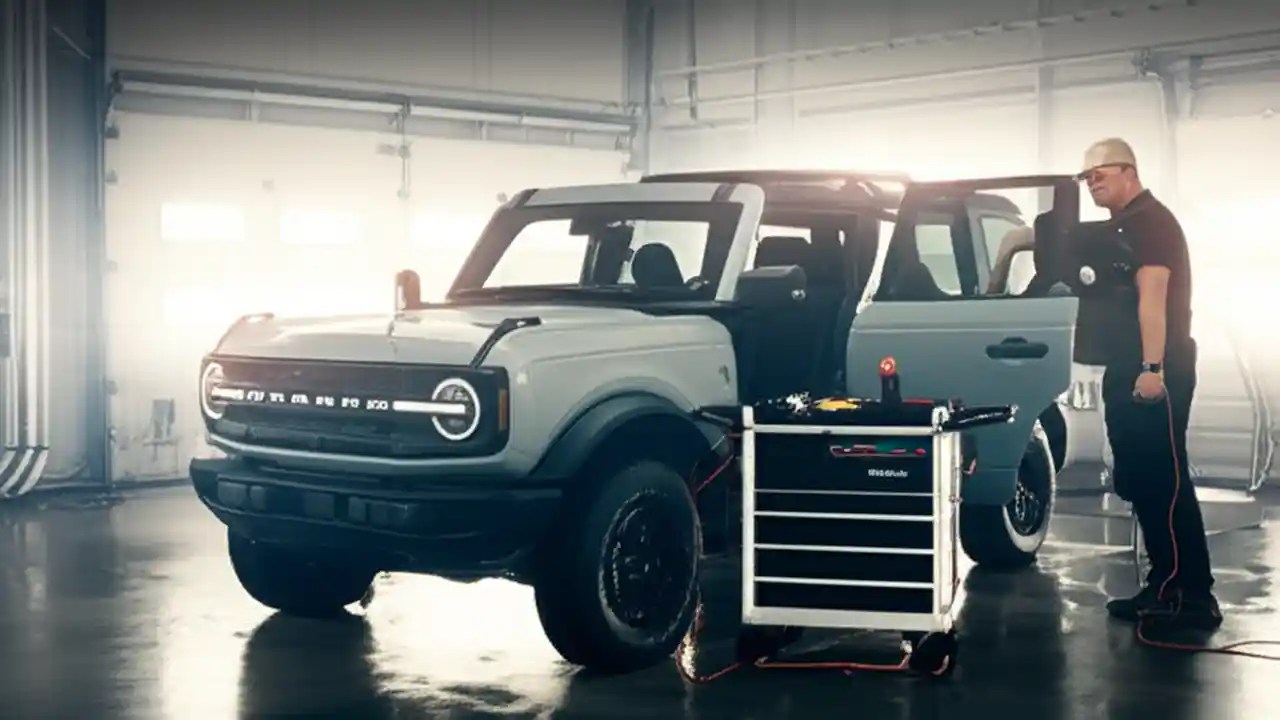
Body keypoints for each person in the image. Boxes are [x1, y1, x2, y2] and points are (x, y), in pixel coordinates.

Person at [1077, 138, 1222, 629]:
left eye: (1100, 173)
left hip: (1155, 367)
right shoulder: (1121, 227)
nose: (1092, 182)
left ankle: (1194, 595)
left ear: (1129, 172)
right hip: (1130, 365)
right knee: (1142, 481)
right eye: (1087, 177)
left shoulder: (1152, 223)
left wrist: (1152, 369)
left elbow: (1153, 299)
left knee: (1165, 480)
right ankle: (1163, 583)